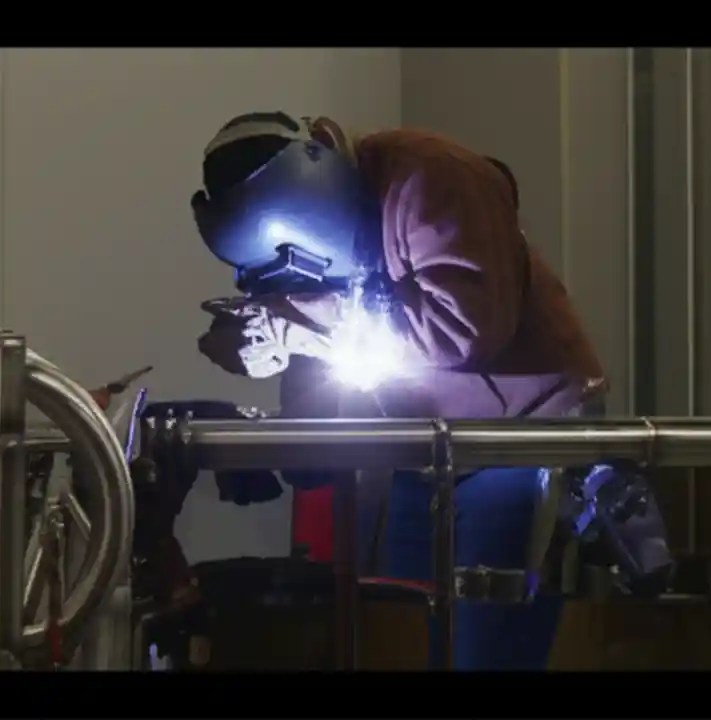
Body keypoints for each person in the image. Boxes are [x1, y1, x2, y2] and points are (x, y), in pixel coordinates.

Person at [190, 111, 608, 670]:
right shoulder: (298, 235)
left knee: (483, 649)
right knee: (408, 633)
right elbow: (321, 344)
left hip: (522, 438)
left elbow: (462, 330)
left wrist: (302, 325)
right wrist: (293, 415)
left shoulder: (430, 176)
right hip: (424, 450)